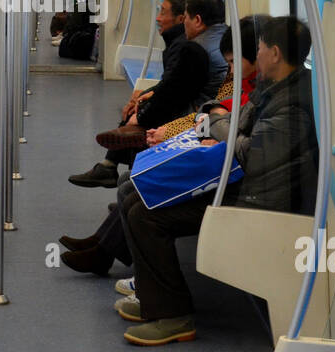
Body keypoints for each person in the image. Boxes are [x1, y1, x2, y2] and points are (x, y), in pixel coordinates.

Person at [115, 15, 318, 345]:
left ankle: (173, 315)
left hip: (257, 197)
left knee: (146, 215)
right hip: (244, 182)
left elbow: (251, 153)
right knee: (135, 193)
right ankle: (154, 300)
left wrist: (219, 127)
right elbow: (233, 123)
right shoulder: (276, 87)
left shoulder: (293, 103)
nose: (258, 52)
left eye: (262, 47)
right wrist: (220, 124)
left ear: (276, 53)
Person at [60, 16, 260, 277]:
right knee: (134, 181)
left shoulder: (246, 87)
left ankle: (104, 249)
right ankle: (102, 244)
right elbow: (211, 113)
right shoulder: (239, 77)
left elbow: (215, 119)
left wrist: (174, 130)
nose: (229, 69)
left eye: (233, 63)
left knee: (139, 185)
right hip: (214, 148)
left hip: (225, 165)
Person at [67, 0, 227, 187]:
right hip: (212, 111)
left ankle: (132, 180)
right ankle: (118, 170)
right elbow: (177, 85)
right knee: (145, 102)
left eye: (186, 17)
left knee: (145, 118)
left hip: (200, 116)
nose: (159, 18)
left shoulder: (194, 49)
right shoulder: (225, 39)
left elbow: (175, 94)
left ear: (197, 20)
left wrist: (143, 114)